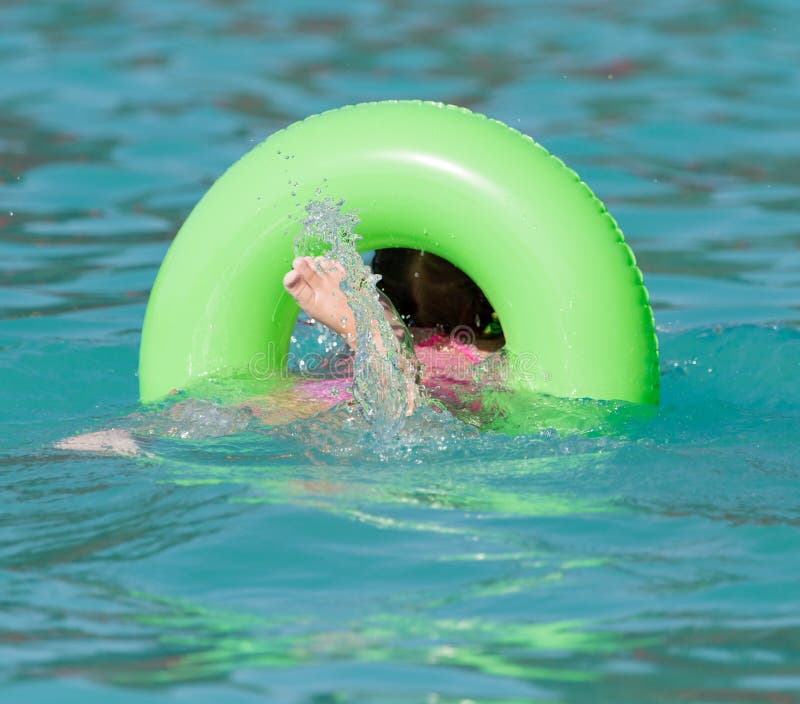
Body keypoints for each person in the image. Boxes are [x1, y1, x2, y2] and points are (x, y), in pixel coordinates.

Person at [57, 249, 503, 455]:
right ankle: (375, 339)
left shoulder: (331, 366)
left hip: (331, 387)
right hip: (436, 392)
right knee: (405, 412)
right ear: (482, 301)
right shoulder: (486, 348)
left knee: (240, 411)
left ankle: (132, 436)